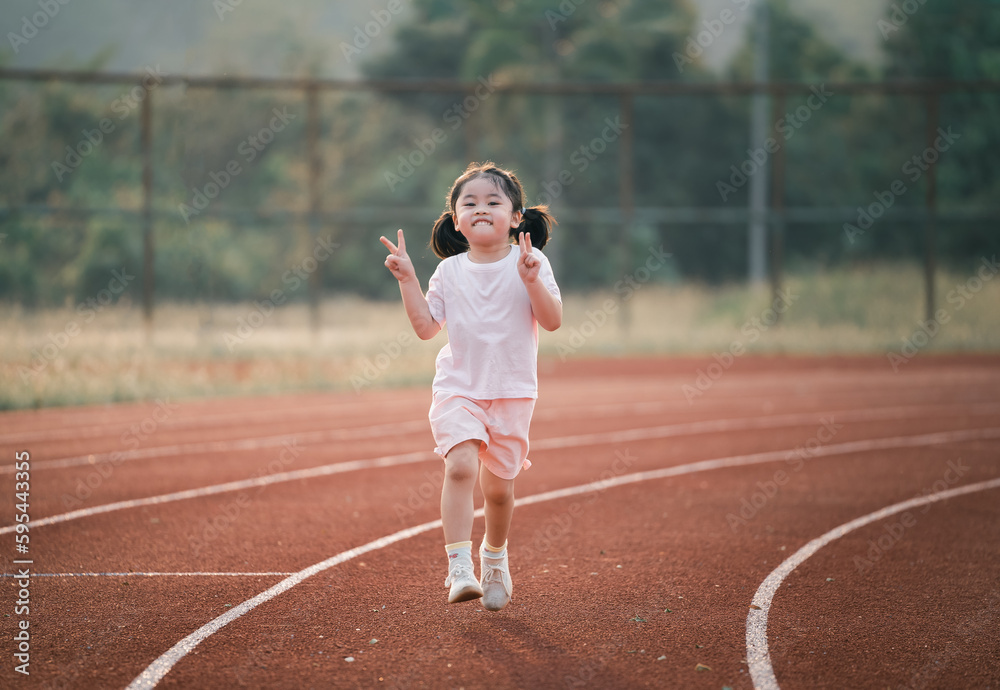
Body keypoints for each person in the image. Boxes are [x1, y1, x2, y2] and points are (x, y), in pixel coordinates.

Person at [379, 162, 562, 611]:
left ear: (516, 218)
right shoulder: (449, 271)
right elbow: (426, 328)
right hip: (458, 386)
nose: (481, 208)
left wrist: (531, 281)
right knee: (460, 466)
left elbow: (553, 321)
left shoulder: (531, 262)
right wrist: (408, 280)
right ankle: (459, 567)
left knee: (498, 491)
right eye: (470, 203)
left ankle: (494, 556)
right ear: (456, 220)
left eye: (493, 201)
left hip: (513, 392)